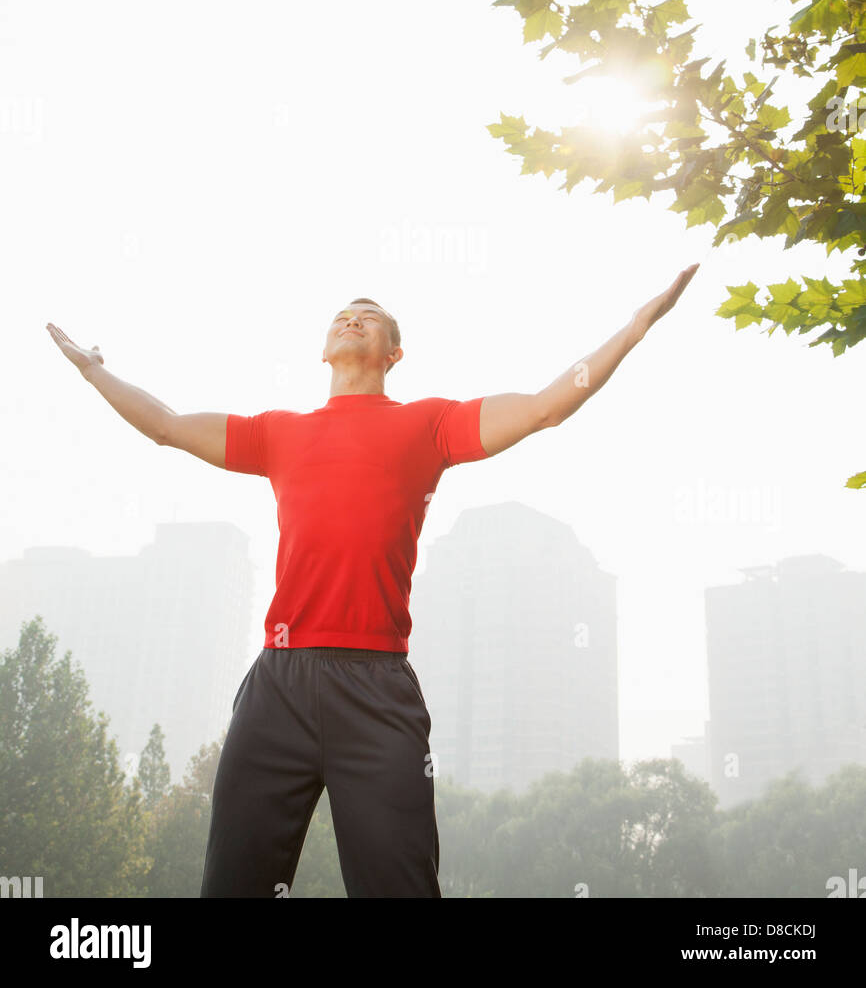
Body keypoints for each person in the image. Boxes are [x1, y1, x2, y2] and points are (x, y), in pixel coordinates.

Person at [45, 264, 699, 898]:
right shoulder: (279, 433)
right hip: (279, 686)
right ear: (323, 349)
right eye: (341, 317)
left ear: (394, 353)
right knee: (231, 885)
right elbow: (166, 426)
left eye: (369, 319)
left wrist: (636, 327)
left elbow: (542, 409)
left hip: (378, 694)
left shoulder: (431, 424)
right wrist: (94, 369)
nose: (352, 320)